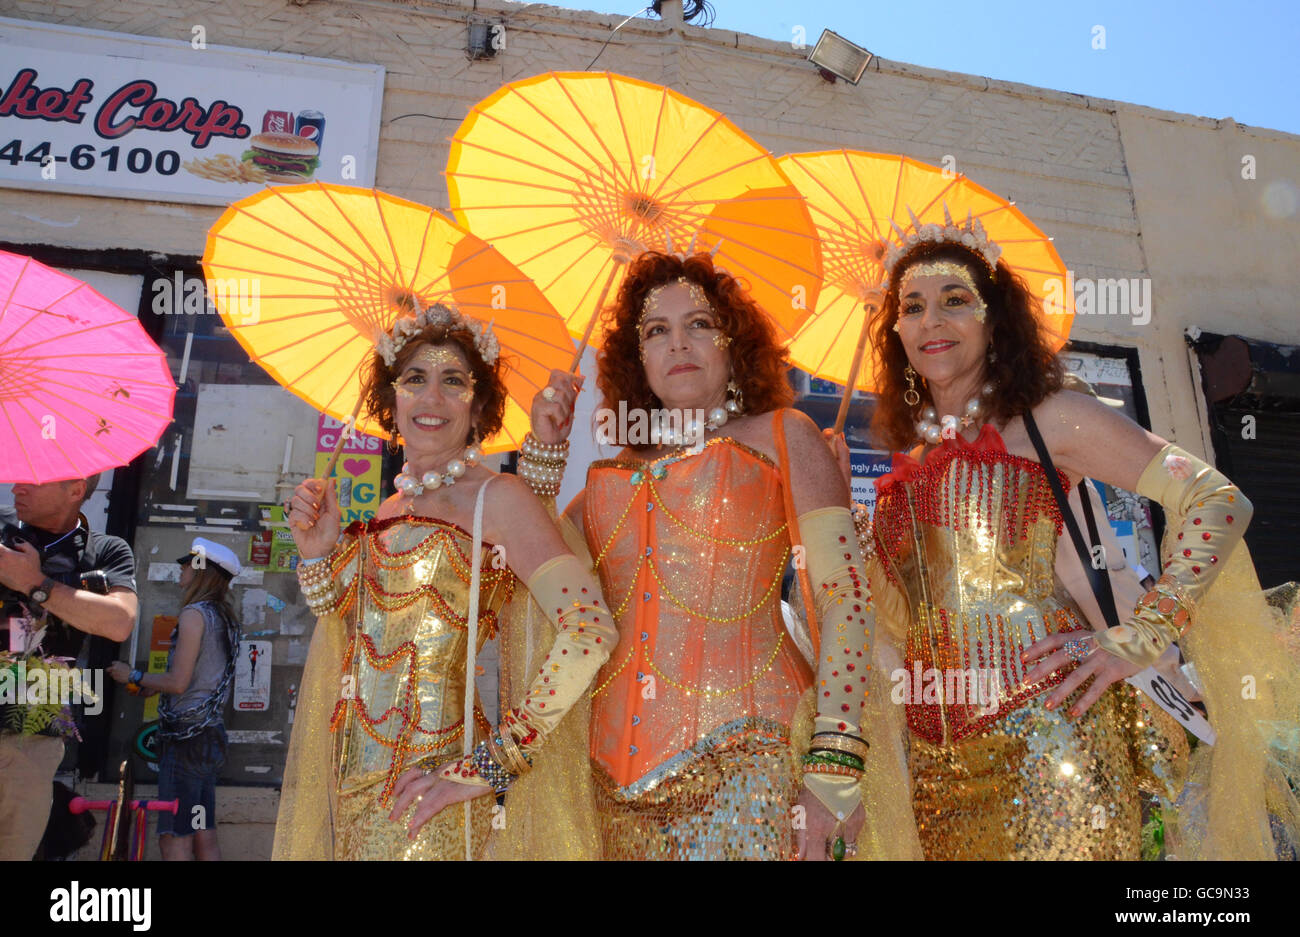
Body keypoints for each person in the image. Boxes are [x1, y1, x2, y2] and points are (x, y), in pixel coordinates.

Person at [841, 212, 1298, 859]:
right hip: (932, 779)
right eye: (912, 305)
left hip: (1050, 753)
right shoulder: (904, 471)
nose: (931, 320)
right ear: (896, 330)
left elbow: (1217, 500)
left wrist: (1142, 633)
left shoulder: (1055, 418)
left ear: (995, 317)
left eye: (954, 300)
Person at [518, 251, 873, 860]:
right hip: (606, 789)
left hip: (751, 770)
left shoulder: (785, 433)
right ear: (638, 359)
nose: (678, 343)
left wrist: (834, 765)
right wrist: (545, 454)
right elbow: (528, 582)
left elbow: (843, 593)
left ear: (733, 345)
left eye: (699, 324)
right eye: (657, 331)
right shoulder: (608, 476)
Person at [272, 303, 619, 860]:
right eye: (414, 379)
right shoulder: (387, 507)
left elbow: (590, 629)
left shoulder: (498, 500)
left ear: (478, 405)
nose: (431, 398)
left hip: (438, 798)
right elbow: (351, 632)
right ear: (390, 401)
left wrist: (492, 765)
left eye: (453, 382)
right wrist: (317, 555)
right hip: (355, 791)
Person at [0, 473, 137, 861]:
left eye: (32, 480)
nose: (15, 487)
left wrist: (35, 583)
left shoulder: (105, 550)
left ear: (75, 489)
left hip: (30, 739)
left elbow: (119, 621)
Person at [108, 536, 242, 860]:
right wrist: (155, 685)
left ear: (201, 571)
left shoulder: (194, 615)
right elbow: (199, 677)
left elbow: (179, 683)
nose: (181, 568)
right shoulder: (225, 617)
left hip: (186, 742)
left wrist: (134, 676)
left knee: (175, 836)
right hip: (209, 737)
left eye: (188, 563)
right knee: (201, 829)